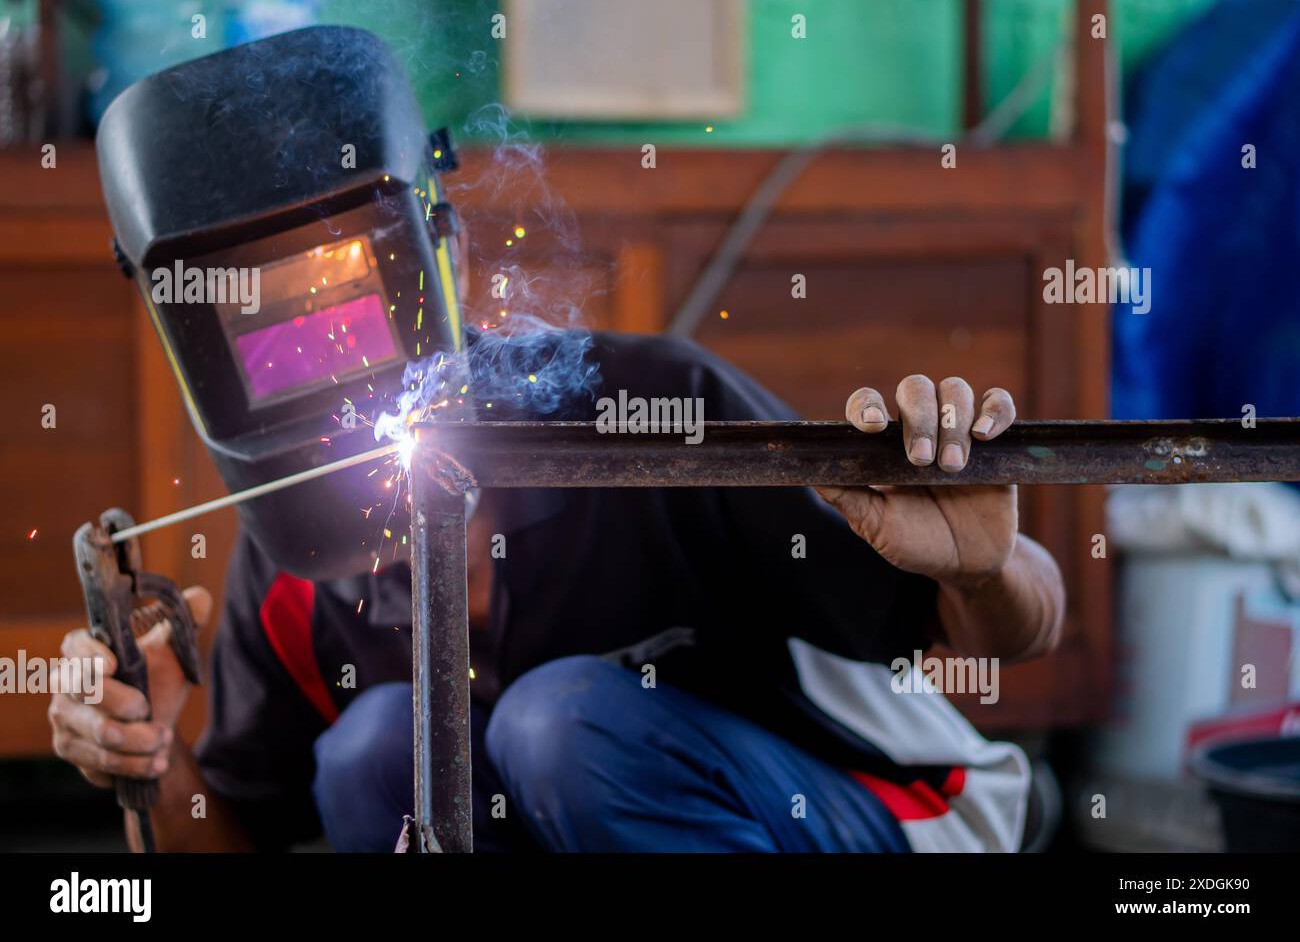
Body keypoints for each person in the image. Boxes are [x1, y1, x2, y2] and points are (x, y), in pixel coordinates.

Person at [49, 327, 1063, 853]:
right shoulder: (295, 560)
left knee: (556, 721)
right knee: (376, 748)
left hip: (892, 808)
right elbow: (234, 836)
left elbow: (1001, 630)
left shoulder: (653, 412)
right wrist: (152, 752)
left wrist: (988, 565)